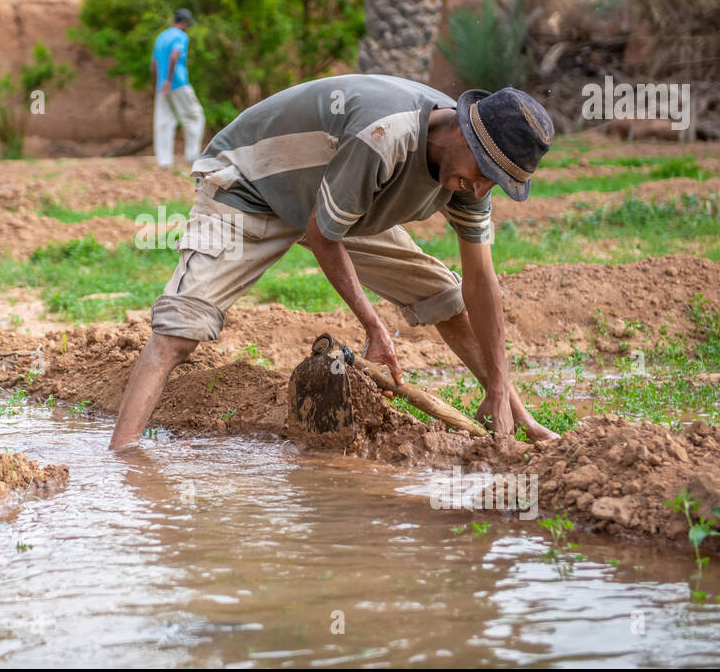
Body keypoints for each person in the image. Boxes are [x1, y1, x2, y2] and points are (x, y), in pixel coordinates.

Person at [110, 74, 562, 450]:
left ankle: (516, 418)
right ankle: (122, 457)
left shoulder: (469, 178)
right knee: (179, 329)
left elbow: (480, 282)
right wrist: (373, 324)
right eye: (485, 173)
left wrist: (502, 390)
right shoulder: (385, 136)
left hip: (336, 203)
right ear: (464, 132)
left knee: (444, 296)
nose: (482, 190)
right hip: (250, 185)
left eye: (496, 183)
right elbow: (322, 235)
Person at [150, 9, 207, 168]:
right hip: (178, 82)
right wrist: (168, 80)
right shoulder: (181, 35)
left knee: (164, 122)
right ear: (185, 23)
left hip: (161, 86)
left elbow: (153, 66)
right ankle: (192, 158)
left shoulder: (161, 37)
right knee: (194, 116)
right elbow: (175, 55)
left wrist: (159, 85)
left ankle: (164, 162)